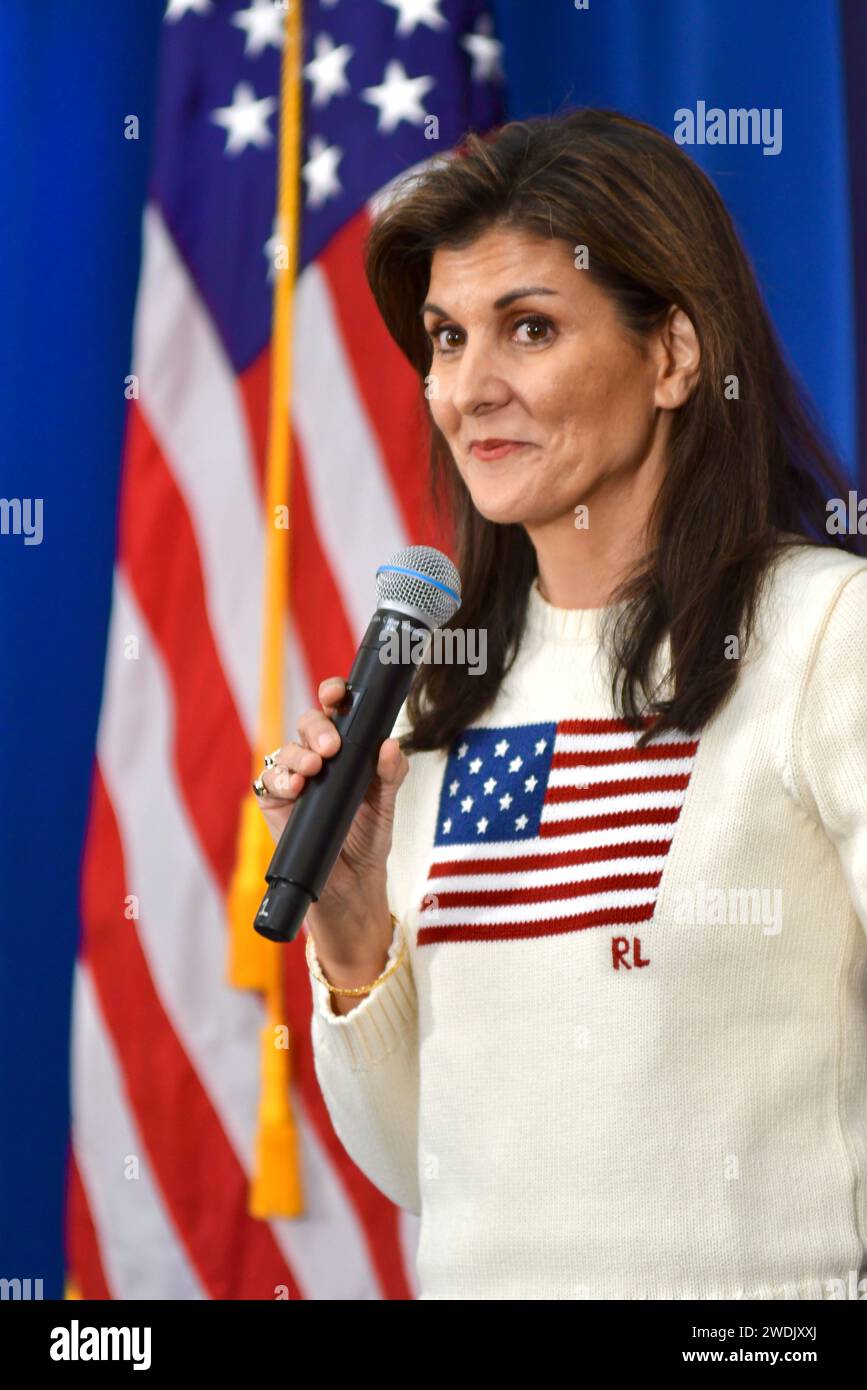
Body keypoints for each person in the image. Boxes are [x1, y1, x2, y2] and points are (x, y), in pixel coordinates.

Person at [253, 109, 867, 1300]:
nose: (468, 389)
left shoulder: (824, 634)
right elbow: (430, 1170)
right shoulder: (434, 688)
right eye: (444, 338)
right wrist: (356, 935)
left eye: (528, 329)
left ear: (676, 354)